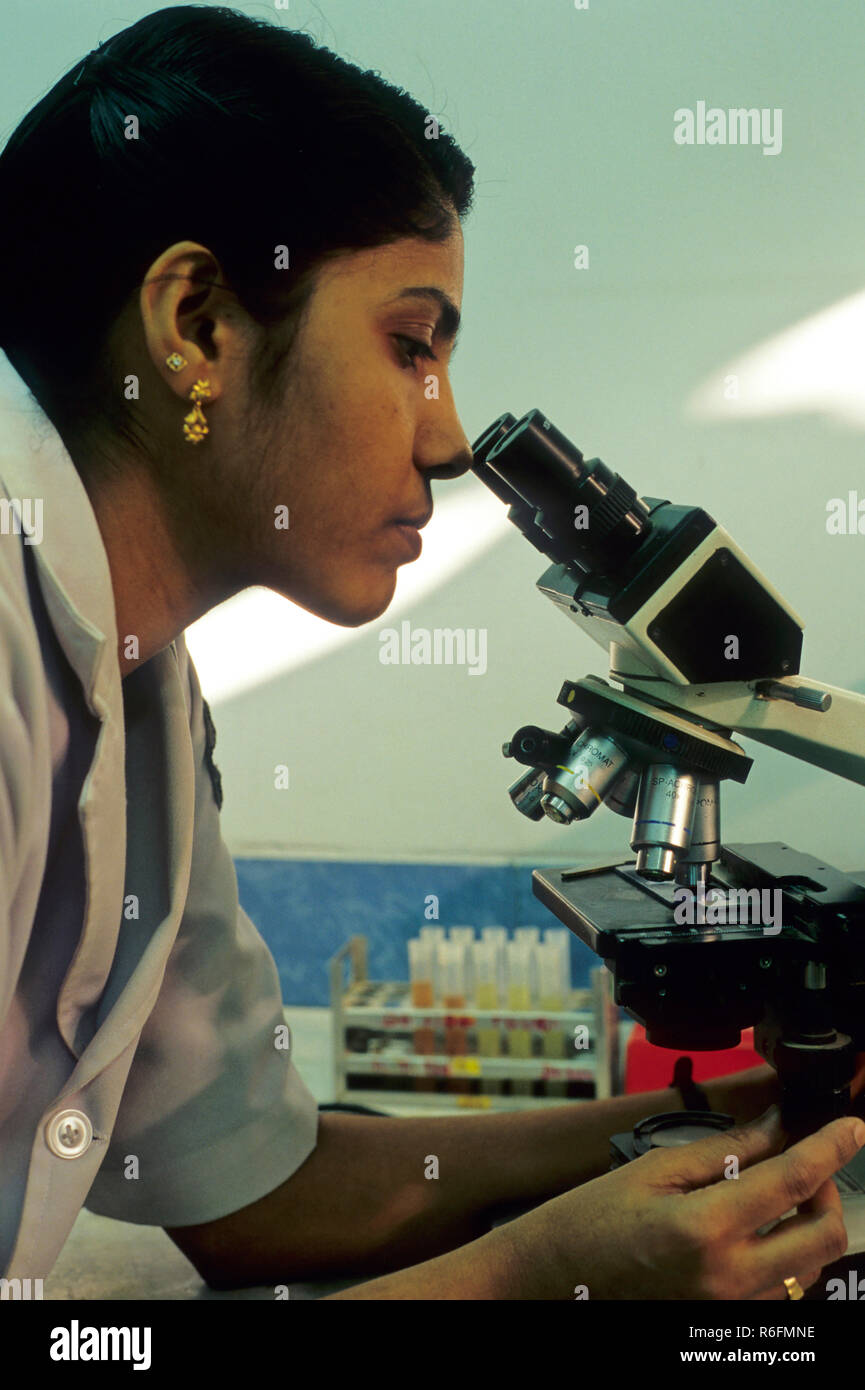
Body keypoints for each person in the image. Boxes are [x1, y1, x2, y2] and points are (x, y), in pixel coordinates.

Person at [0, 4, 863, 1302]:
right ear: (195, 321)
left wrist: (762, 1119)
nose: (449, 439)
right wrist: (542, 1281)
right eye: (412, 344)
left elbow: (265, 1196)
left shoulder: (142, 694)